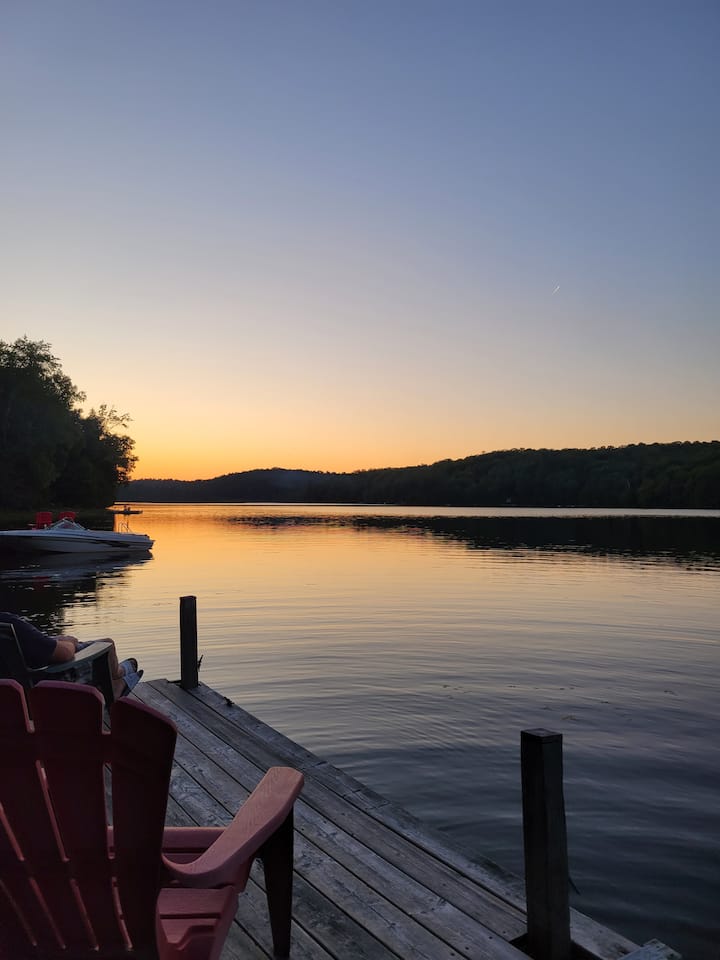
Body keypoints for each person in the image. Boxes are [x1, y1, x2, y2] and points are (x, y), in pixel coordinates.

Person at [0, 612, 142, 699]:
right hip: (43, 688)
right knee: (107, 645)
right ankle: (119, 678)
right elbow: (65, 655)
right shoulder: (8, 622)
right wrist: (69, 642)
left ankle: (121, 674)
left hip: (9, 696)